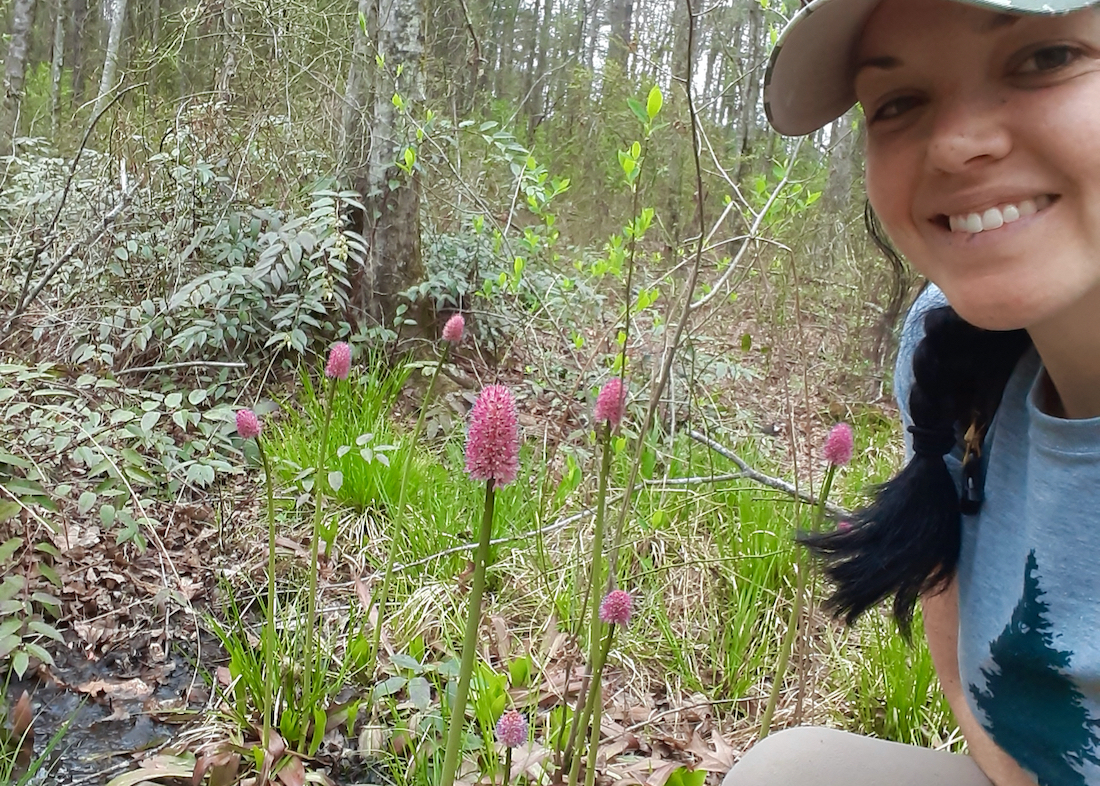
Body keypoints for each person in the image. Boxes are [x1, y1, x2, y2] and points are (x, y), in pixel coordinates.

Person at [722, 0, 1100, 784]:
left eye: (1046, 59)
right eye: (897, 103)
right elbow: (974, 693)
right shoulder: (951, 350)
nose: (958, 144)